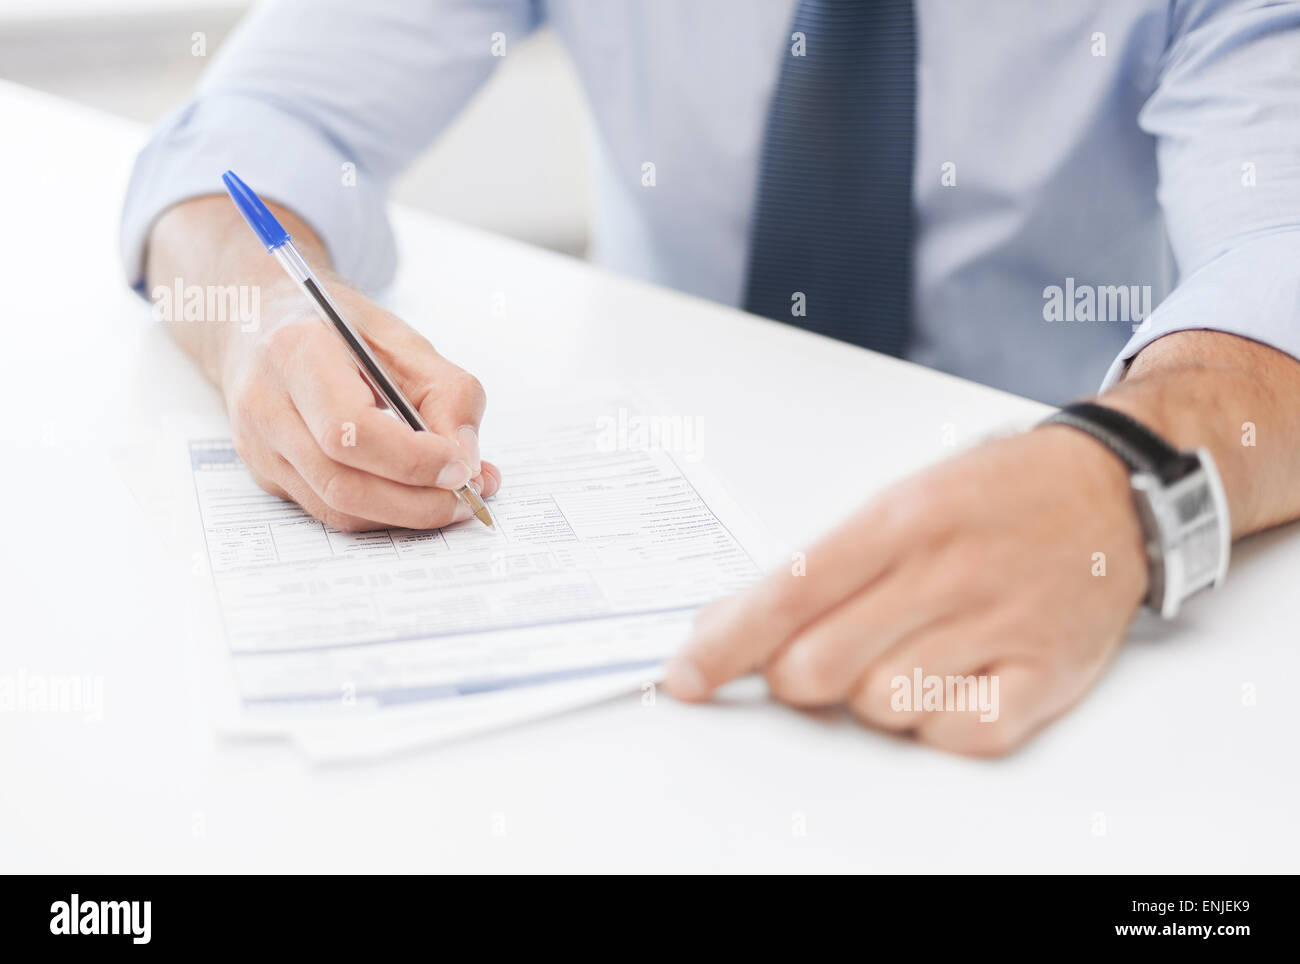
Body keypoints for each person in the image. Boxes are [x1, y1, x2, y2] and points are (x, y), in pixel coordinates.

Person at [122, 0, 1300, 755]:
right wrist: (265, 317)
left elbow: (1276, 262)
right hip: (652, 534)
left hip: (1047, 535)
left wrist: (1122, 476)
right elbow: (250, 128)